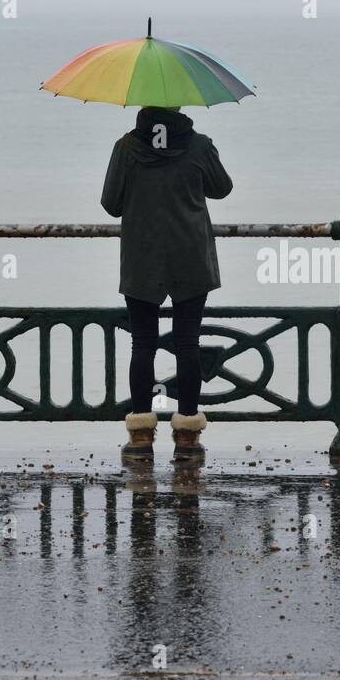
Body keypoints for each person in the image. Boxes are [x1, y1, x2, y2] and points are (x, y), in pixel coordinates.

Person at [101, 106, 232, 461]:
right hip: (190, 255)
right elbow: (223, 189)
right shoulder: (200, 146)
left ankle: (140, 435)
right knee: (188, 343)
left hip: (142, 256)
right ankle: (187, 436)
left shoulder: (126, 148)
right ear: (179, 105)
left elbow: (110, 204)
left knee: (142, 344)